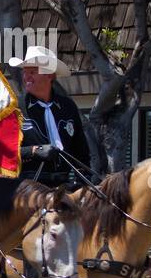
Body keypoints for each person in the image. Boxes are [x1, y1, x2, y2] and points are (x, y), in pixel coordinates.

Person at [10, 46, 92, 186]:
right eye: (25, 72)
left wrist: (81, 182)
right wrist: (34, 151)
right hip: (28, 187)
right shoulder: (16, 108)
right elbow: (5, 151)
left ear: (49, 75)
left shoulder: (68, 107)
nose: (26, 77)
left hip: (63, 186)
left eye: (32, 72)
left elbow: (81, 152)